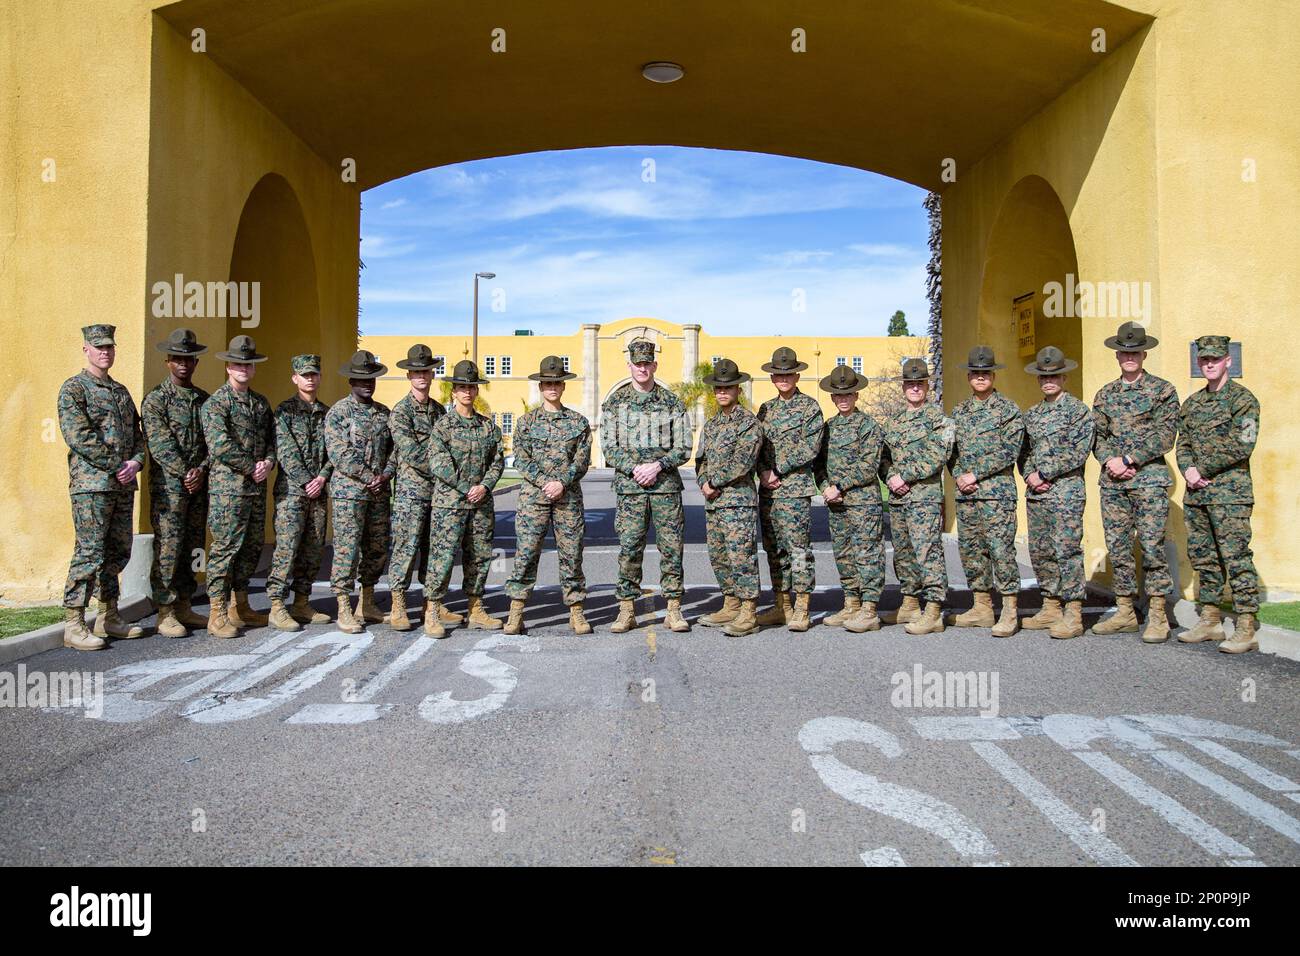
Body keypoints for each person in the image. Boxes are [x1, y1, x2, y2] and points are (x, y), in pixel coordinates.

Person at [58, 324, 146, 650]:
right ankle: (74, 623)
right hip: (92, 486)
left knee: (117, 552)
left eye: (109, 347)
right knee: (89, 553)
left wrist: (135, 462)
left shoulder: (121, 392)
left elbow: (138, 436)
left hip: (122, 487)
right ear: (86, 349)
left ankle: (109, 615)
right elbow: (78, 436)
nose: (105, 352)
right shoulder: (74, 390)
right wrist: (116, 466)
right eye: (99, 347)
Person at [1091, 321, 1180, 643]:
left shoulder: (1163, 390)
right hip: (1113, 483)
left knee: (1152, 545)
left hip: (1148, 480)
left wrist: (1130, 460)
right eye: (1124, 352)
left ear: (1144, 354)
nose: (1129, 357)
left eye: (1135, 352)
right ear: (1117, 355)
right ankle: (1125, 611)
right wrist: (1110, 461)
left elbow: (1166, 435)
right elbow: (1097, 436)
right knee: (1119, 547)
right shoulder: (1105, 394)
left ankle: (1158, 614)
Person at [599, 339, 693, 633]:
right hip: (630, 490)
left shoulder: (671, 403)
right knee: (629, 549)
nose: (642, 368)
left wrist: (658, 466)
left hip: (665, 487)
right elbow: (609, 447)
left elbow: (684, 446)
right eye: (637, 363)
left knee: (672, 549)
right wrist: (634, 469)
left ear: (654, 365)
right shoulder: (615, 403)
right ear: (629, 365)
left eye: (647, 363)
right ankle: (626, 609)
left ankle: (674, 609)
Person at [1176, 335, 1261, 654]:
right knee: (1205, 558)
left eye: (1215, 359)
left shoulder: (1243, 400)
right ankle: (1210, 619)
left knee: (1236, 557)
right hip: (1197, 495)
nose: (1209, 364)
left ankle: (1246, 625)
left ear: (1227, 361)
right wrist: (1187, 470)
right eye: (1204, 360)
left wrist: (1202, 469)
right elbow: (1182, 442)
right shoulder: (1193, 403)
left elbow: (1243, 444)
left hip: (1230, 495)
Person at [504, 355, 593, 635]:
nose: (552, 387)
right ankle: (516, 611)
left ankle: (576, 611)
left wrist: (561, 483)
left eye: (557, 382)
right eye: (547, 382)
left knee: (571, 554)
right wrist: (546, 482)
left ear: (563, 386)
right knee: (526, 553)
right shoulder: (527, 422)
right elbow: (521, 457)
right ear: (541, 386)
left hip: (567, 498)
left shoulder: (578, 422)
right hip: (534, 499)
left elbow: (582, 459)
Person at [200, 335, 276, 638]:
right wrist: (252, 468)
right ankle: (217, 612)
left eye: (249, 363)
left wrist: (268, 462)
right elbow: (220, 445)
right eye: (238, 363)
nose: (243, 367)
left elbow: (272, 440)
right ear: (228, 366)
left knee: (251, 548)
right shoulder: (216, 404)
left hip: (255, 489)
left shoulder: (259, 403)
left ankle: (240, 605)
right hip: (228, 490)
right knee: (225, 549)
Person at [1018, 346, 1095, 639]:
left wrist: (1045, 474)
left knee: (1066, 549)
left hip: (1066, 492)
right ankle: (1050, 604)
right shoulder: (1033, 414)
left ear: (1064, 377)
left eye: (1054, 375)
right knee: (1041, 550)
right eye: (1043, 376)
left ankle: (1073, 611)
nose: (1048, 380)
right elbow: (1023, 452)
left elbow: (1079, 451)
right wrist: (1029, 475)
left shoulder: (1078, 412)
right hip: (1037, 493)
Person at [947, 346, 1024, 637]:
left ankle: (1009, 609)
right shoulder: (958, 413)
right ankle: (981, 606)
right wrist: (958, 475)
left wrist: (975, 474)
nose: (980, 378)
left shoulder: (1008, 410)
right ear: (969, 377)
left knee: (1000, 550)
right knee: (971, 551)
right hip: (967, 495)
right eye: (975, 373)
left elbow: (1010, 450)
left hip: (996, 495)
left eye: (985, 373)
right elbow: (949, 451)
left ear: (993, 375)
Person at [424, 359, 504, 637]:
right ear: (453, 391)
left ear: (476, 391)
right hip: (450, 504)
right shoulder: (443, 426)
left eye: (471, 387)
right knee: (443, 558)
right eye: (461, 387)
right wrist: (464, 486)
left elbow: (497, 462)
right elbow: (438, 462)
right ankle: (433, 609)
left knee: (480, 557)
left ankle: (476, 608)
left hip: (480, 504)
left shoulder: (488, 428)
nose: (467, 392)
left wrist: (484, 485)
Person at [141, 328, 210, 638]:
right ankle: (165, 611)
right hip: (170, 490)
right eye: (178, 359)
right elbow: (159, 443)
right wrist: (186, 472)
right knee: (168, 548)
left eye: (189, 359)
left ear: (195, 362)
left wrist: (202, 469)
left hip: (198, 486)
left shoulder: (203, 400)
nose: (184, 364)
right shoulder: (156, 400)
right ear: (168, 361)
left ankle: (184, 603)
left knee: (193, 547)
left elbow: (213, 443)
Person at [880, 358, 953, 634]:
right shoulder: (893, 422)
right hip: (899, 499)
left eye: (919, 383)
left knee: (928, 552)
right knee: (904, 553)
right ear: (903, 387)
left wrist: (904, 476)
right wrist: (889, 477)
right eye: (910, 383)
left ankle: (934, 610)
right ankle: (910, 603)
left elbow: (938, 455)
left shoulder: (940, 420)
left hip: (924, 498)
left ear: (927, 385)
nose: (914, 388)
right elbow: (883, 457)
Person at [324, 350, 394, 634]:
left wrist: (386, 474)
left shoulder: (383, 414)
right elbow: (339, 453)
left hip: (378, 493)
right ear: (351, 380)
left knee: (377, 549)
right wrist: (368, 476)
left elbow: (394, 451)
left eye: (371, 379)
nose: (367, 383)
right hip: (349, 493)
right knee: (347, 549)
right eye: (361, 379)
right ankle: (343, 605)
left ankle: (366, 602)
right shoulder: (339, 413)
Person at [755, 347, 824, 632]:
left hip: (794, 490)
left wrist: (776, 470)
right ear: (772, 377)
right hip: (769, 492)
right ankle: (781, 605)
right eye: (778, 374)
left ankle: (802, 607)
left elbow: (811, 448)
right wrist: (762, 471)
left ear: (796, 376)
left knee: (798, 550)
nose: (783, 378)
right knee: (774, 550)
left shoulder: (810, 408)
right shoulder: (765, 410)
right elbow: (755, 446)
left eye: (788, 373)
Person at [693, 359, 763, 637]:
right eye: (718, 388)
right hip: (714, 503)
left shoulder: (749, 424)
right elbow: (701, 461)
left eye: (728, 387)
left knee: (741, 556)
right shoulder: (711, 426)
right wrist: (703, 482)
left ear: (737, 389)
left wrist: (713, 482)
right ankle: (731, 602)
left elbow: (743, 462)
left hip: (738, 502)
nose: (722, 391)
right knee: (719, 556)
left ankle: (749, 610)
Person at [814, 364, 886, 633]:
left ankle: (869, 610)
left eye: (848, 394)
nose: (843, 399)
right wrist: (824, 486)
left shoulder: (868, 426)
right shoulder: (828, 427)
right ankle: (851, 603)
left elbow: (869, 466)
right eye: (838, 395)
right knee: (843, 554)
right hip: (837, 504)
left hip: (863, 503)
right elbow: (818, 464)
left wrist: (839, 485)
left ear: (856, 395)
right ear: (833, 397)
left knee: (867, 554)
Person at [386, 344, 452, 632]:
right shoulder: (400, 412)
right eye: (416, 371)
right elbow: (411, 453)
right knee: (406, 548)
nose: (422, 376)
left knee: (433, 549)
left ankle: (432, 603)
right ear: (409, 375)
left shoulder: (439, 411)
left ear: (432, 374)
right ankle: (398, 603)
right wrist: (444, 470)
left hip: (437, 494)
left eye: (426, 370)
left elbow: (448, 447)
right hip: (411, 494)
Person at [266, 354, 333, 632]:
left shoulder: (327, 413)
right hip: (292, 492)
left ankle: (302, 602)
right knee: (287, 548)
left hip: (318, 491)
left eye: (314, 374)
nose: (310, 378)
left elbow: (333, 452)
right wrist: (308, 480)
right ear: (295, 378)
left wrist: (323, 476)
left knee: (313, 549)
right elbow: (286, 451)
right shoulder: (284, 412)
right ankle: (277, 605)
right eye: (304, 374)